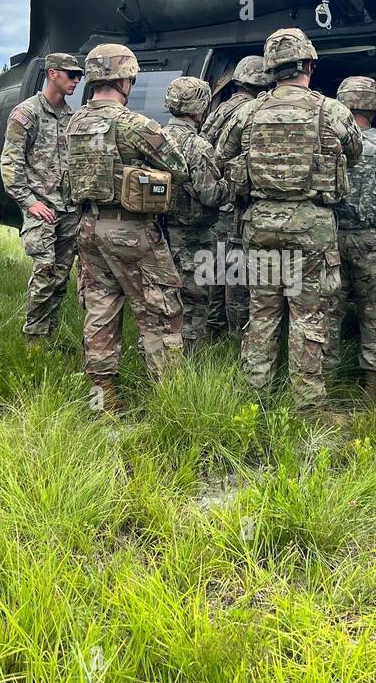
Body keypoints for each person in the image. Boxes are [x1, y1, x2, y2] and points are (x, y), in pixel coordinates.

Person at [218, 26, 361, 419]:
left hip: (260, 225)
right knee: (308, 316)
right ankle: (308, 406)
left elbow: (221, 153)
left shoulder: (248, 111)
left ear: (272, 69)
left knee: (262, 312)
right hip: (310, 228)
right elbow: (355, 152)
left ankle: (254, 401)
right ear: (310, 64)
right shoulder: (331, 110)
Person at [66, 43, 189, 409]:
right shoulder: (133, 124)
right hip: (130, 230)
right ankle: (169, 398)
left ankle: (102, 397)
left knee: (100, 309)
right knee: (160, 309)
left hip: (89, 227)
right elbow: (179, 166)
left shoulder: (76, 122)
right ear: (125, 79)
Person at [0, 51, 81, 343]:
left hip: (68, 209)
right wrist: (29, 202)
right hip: (41, 209)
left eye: (79, 76)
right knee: (45, 273)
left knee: (60, 279)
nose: (76, 80)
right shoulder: (27, 113)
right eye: (71, 74)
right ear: (52, 74)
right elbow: (10, 164)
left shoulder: (72, 117)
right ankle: (33, 339)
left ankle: (51, 334)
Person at [327, 76, 376, 398]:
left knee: (328, 312)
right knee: (375, 315)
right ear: (374, 105)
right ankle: (374, 389)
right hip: (372, 243)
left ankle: (324, 382)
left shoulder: (329, 141)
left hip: (332, 239)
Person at [162, 76, 229, 353]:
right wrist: (230, 184)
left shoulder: (156, 136)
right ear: (200, 107)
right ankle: (188, 363)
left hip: (161, 233)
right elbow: (211, 195)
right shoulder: (198, 146)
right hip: (194, 237)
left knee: (165, 300)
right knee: (195, 302)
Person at [204, 55, 267, 336]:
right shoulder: (253, 110)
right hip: (237, 204)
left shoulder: (219, 109)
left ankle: (212, 326)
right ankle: (237, 334)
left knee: (215, 269)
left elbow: (206, 149)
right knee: (236, 273)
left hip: (217, 201)